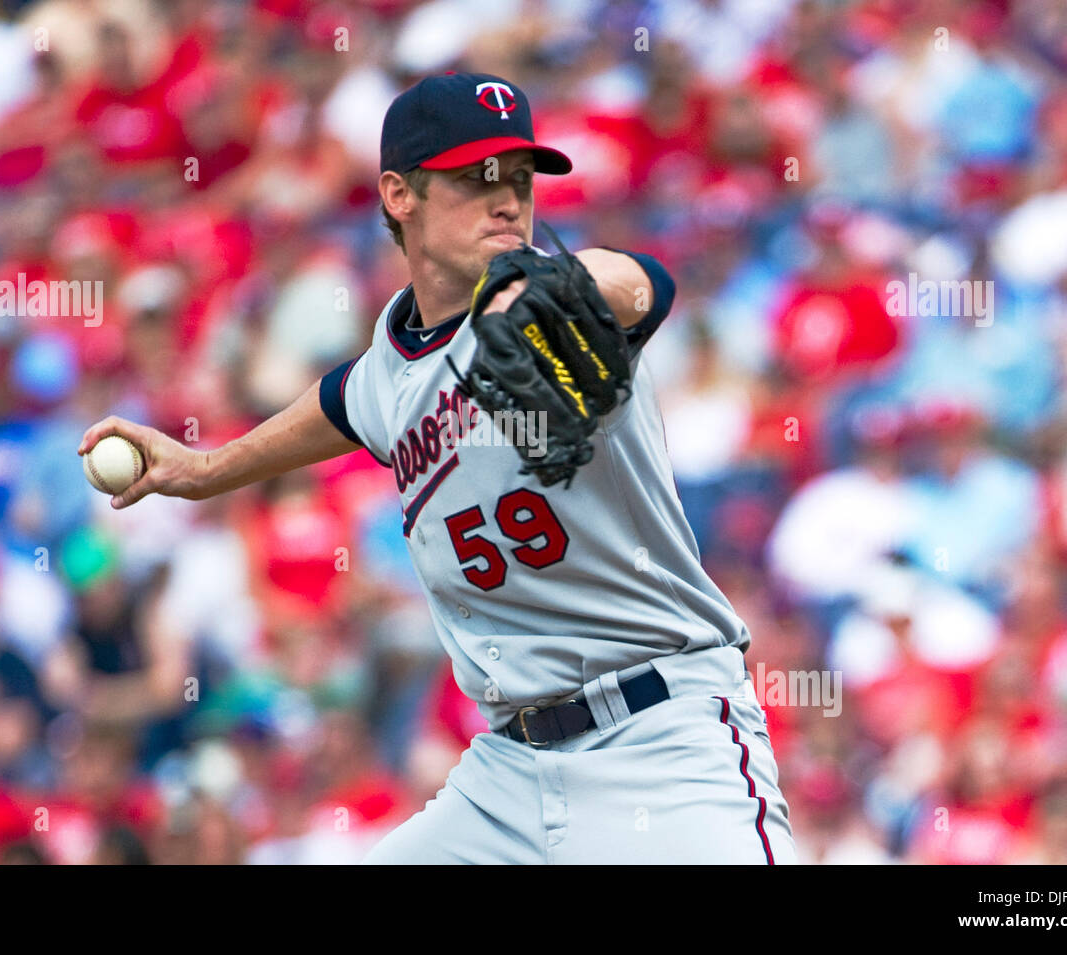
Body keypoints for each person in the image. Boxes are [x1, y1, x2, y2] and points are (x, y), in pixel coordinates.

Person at [79, 72, 796, 864]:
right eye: (476, 178)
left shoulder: (555, 306)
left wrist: (565, 289)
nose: (508, 201)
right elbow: (341, 403)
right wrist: (206, 469)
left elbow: (638, 284)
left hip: (661, 739)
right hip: (509, 773)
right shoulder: (393, 362)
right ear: (399, 194)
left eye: (520, 181)